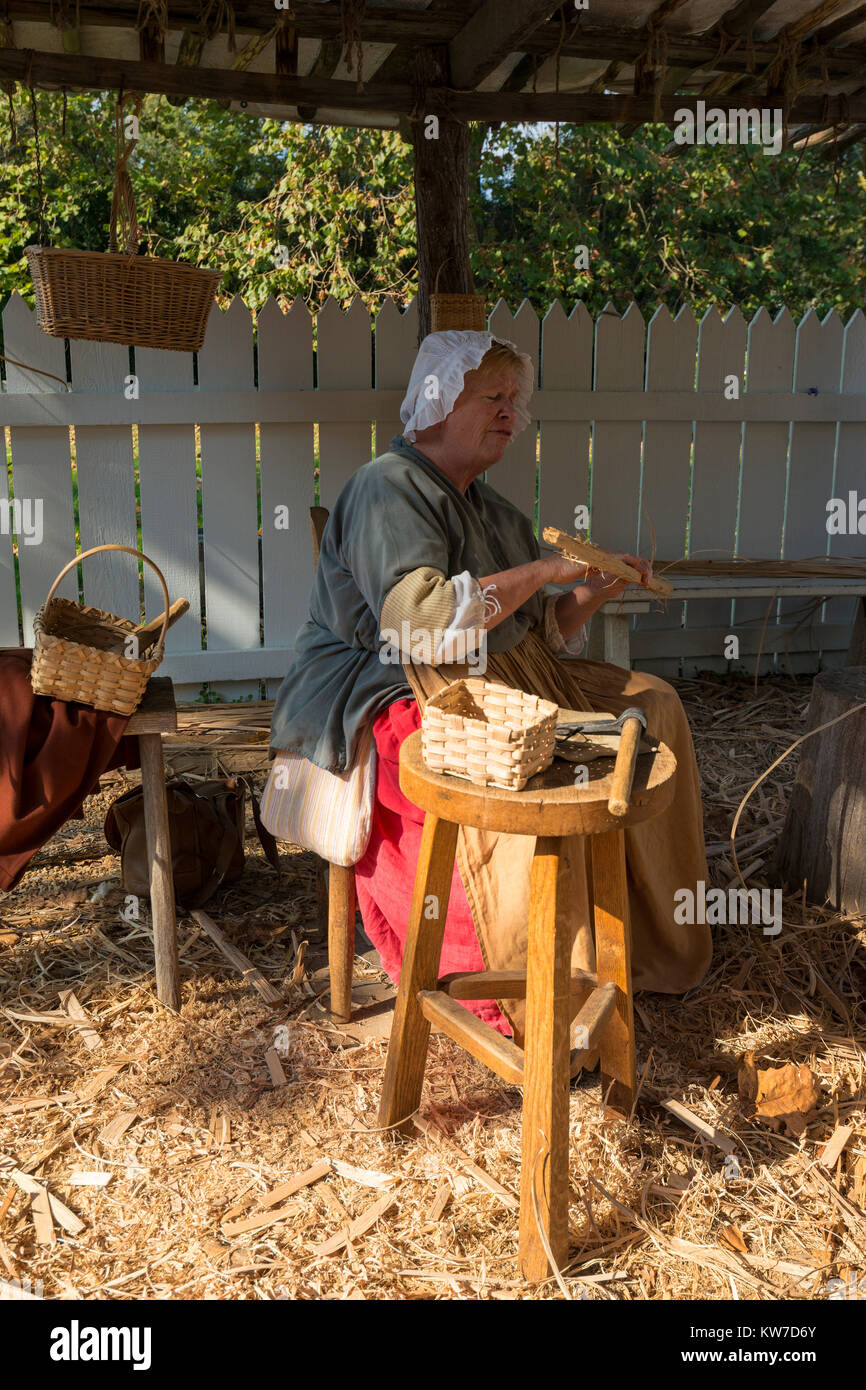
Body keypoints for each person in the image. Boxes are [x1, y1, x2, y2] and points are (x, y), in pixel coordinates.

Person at [265, 330, 711, 1044]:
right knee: (520, 766)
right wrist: (539, 572)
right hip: (390, 683)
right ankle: (525, 990)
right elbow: (419, 627)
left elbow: (539, 635)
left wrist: (589, 590)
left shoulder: (497, 510)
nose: (510, 412)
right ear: (439, 402)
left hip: (505, 673)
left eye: (516, 400)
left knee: (652, 705)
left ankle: (642, 945)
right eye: (492, 397)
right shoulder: (389, 486)